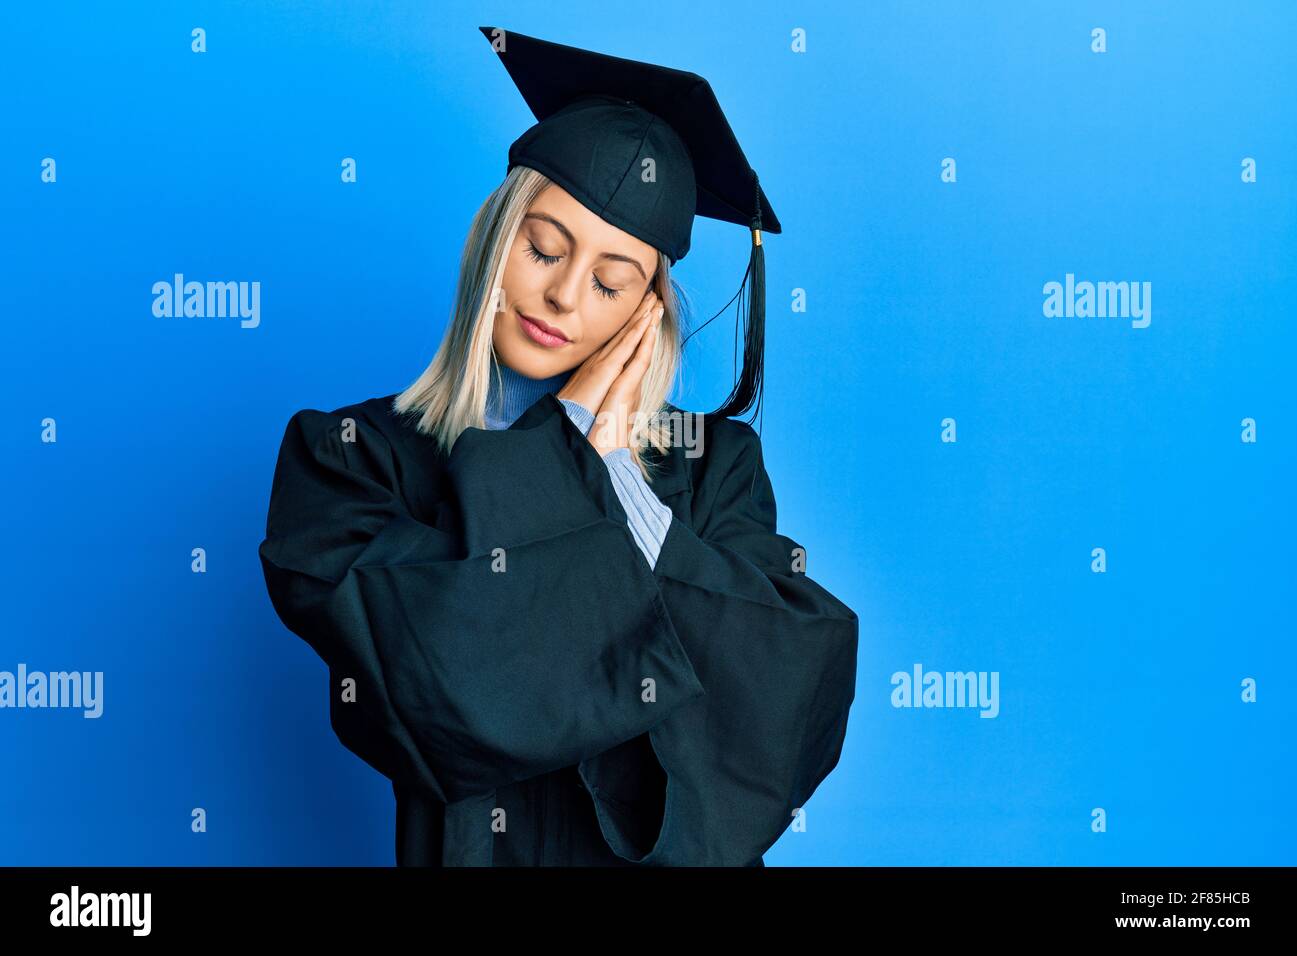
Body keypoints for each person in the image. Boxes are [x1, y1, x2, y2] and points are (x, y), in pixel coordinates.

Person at [257, 26, 859, 866]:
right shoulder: (354, 459)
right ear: (493, 241)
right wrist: (569, 443)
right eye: (544, 248)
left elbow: (782, 695)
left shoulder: (712, 469)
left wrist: (621, 480)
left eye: (611, 281)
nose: (564, 295)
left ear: (646, 314)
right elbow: (433, 690)